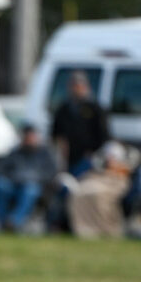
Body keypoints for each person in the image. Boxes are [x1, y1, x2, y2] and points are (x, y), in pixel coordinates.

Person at [48, 71, 109, 231]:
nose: (76, 89)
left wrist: (92, 153)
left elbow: (104, 137)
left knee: (78, 189)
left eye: (79, 86)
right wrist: (60, 149)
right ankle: (59, 222)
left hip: (88, 160)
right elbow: (55, 135)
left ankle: (76, 223)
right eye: (73, 86)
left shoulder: (95, 109)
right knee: (62, 188)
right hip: (67, 158)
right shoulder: (64, 109)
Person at [0, 122, 59, 233]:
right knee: (1, 185)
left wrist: (34, 178)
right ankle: (2, 222)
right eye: (26, 136)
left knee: (30, 190)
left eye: (31, 136)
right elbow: (1, 169)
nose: (29, 139)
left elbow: (51, 173)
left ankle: (13, 222)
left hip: (34, 185)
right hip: (14, 184)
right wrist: (13, 177)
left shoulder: (45, 154)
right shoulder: (16, 152)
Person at [67, 141, 135, 239]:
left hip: (111, 185)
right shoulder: (98, 164)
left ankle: (105, 229)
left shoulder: (124, 168)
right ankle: (85, 229)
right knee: (78, 192)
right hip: (97, 180)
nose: (111, 160)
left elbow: (121, 182)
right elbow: (94, 174)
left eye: (113, 157)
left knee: (98, 195)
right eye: (109, 156)